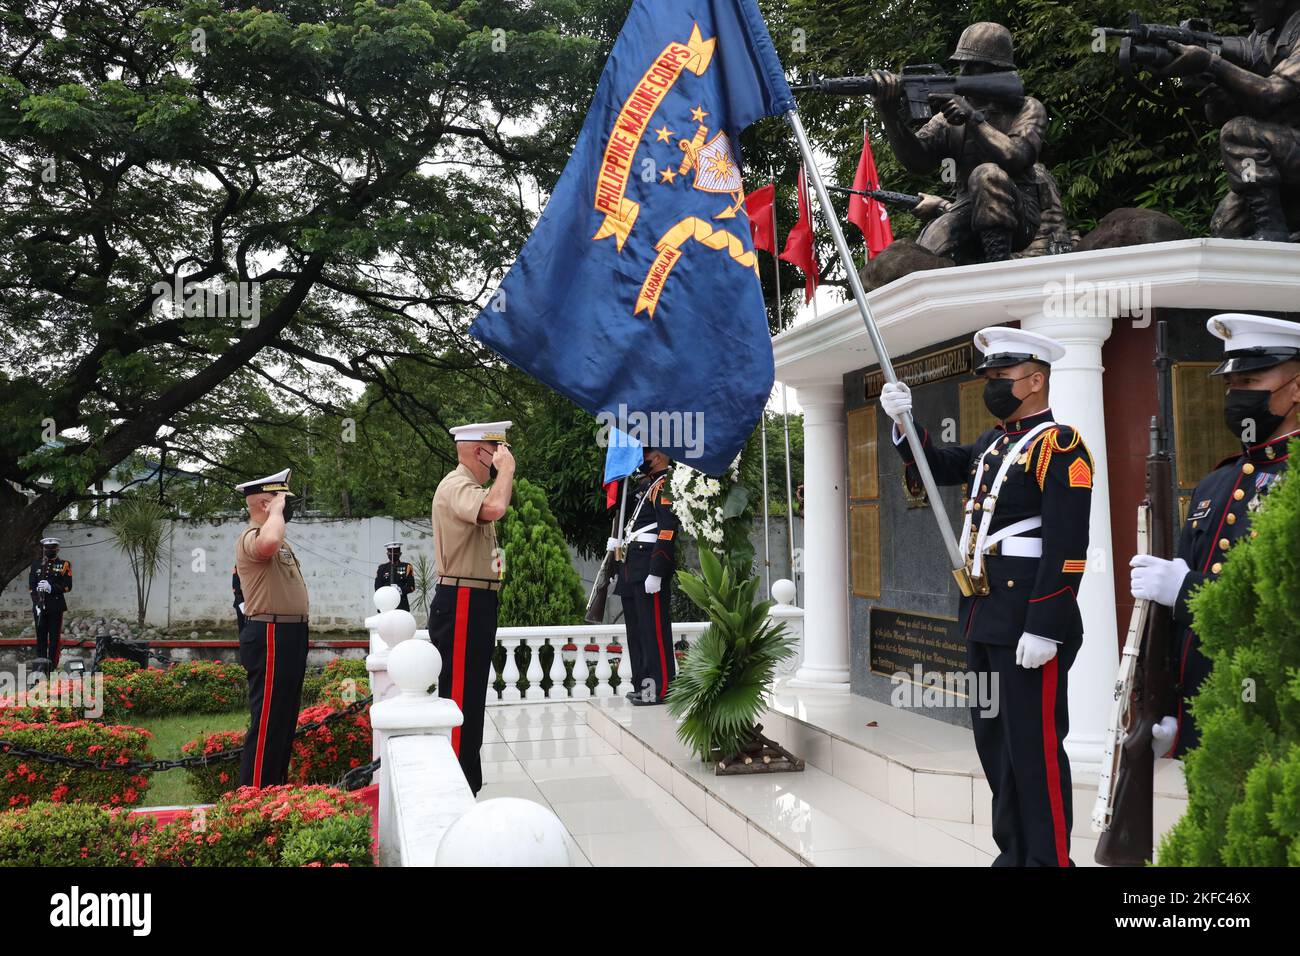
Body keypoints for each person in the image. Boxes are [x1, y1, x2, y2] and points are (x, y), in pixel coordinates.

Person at [880, 326, 1094, 866]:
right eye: (991, 376)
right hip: (983, 618)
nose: (993, 385)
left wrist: (1045, 625)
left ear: (1036, 380)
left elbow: (1068, 547)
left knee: (1035, 751)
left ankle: (1049, 860)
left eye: (1003, 377)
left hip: (1028, 626)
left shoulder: (1060, 446)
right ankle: (1013, 854)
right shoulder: (994, 443)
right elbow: (940, 466)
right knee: (996, 748)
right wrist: (905, 424)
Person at [1131, 314, 1300, 756]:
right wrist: (1167, 704)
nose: (1236, 395)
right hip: (1205, 706)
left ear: (1297, 387)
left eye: (1252, 379)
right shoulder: (1217, 483)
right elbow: (1176, 625)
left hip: (1278, 706)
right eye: (1231, 384)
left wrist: (1185, 588)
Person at [869, 22, 1049, 263]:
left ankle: (999, 267)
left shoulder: (1027, 108)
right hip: (966, 207)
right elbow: (918, 162)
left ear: (997, 70)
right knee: (916, 254)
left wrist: (973, 119)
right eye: (961, 64)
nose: (962, 73)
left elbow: (1016, 157)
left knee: (987, 174)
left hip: (1019, 213)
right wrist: (888, 112)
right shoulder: (947, 119)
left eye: (973, 66)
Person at [1156, 0, 1300, 241]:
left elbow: (1271, 93)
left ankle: (1272, 234)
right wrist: (1214, 85)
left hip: (1290, 149)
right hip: (1286, 153)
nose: (1245, 8)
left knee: (1240, 132)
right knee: (1226, 227)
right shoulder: (1264, 38)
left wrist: (1210, 63)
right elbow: (1217, 116)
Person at [429, 421, 514, 795]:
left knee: (472, 695)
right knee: (461, 695)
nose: (499, 457)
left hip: (476, 598)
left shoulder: (471, 488)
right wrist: (507, 471)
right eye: (495, 449)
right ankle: (456, 785)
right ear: (478, 451)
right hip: (462, 600)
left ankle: (467, 780)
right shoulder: (457, 485)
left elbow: (492, 551)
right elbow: (495, 507)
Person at [233, 468, 310, 788]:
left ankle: (275, 786)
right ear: (265, 503)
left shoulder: (280, 541)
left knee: (284, 718)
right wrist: (274, 512)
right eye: (281, 500)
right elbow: (269, 541)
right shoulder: (252, 537)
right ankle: (253, 795)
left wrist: (275, 511)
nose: (287, 506)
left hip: (289, 634)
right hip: (270, 635)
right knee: (267, 720)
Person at [611, 448, 680, 705]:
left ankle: (659, 690)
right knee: (637, 631)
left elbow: (667, 530)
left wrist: (657, 571)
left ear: (659, 456)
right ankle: (642, 685)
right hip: (633, 564)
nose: (641, 461)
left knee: (654, 631)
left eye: (645, 455)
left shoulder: (665, 485)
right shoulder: (648, 486)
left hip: (648, 565)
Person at [28, 538, 72, 671]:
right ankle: (41, 665)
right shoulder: (35, 565)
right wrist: (36, 603)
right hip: (39, 607)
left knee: (54, 638)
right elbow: (32, 587)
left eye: (52, 549)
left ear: (57, 549)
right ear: (43, 549)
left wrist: (51, 588)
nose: (48, 551)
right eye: (46, 549)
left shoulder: (64, 564)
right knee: (40, 637)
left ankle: (52, 665)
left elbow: (68, 587)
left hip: (55, 606)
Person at [375, 541, 416, 611]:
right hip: (385, 604)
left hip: (401, 604)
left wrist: (399, 590)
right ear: (387, 554)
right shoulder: (382, 568)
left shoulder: (406, 567)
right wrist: (387, 591)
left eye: (395, 553)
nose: (392, 555)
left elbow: (411, 587)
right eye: (390, 553)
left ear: (400, 554)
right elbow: (377, 587)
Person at [232, 567, 246, 632]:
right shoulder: (239, 564)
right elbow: (235, 584)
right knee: (242, 627)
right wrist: (241, 603)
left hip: (255, 601)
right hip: (242, 601)